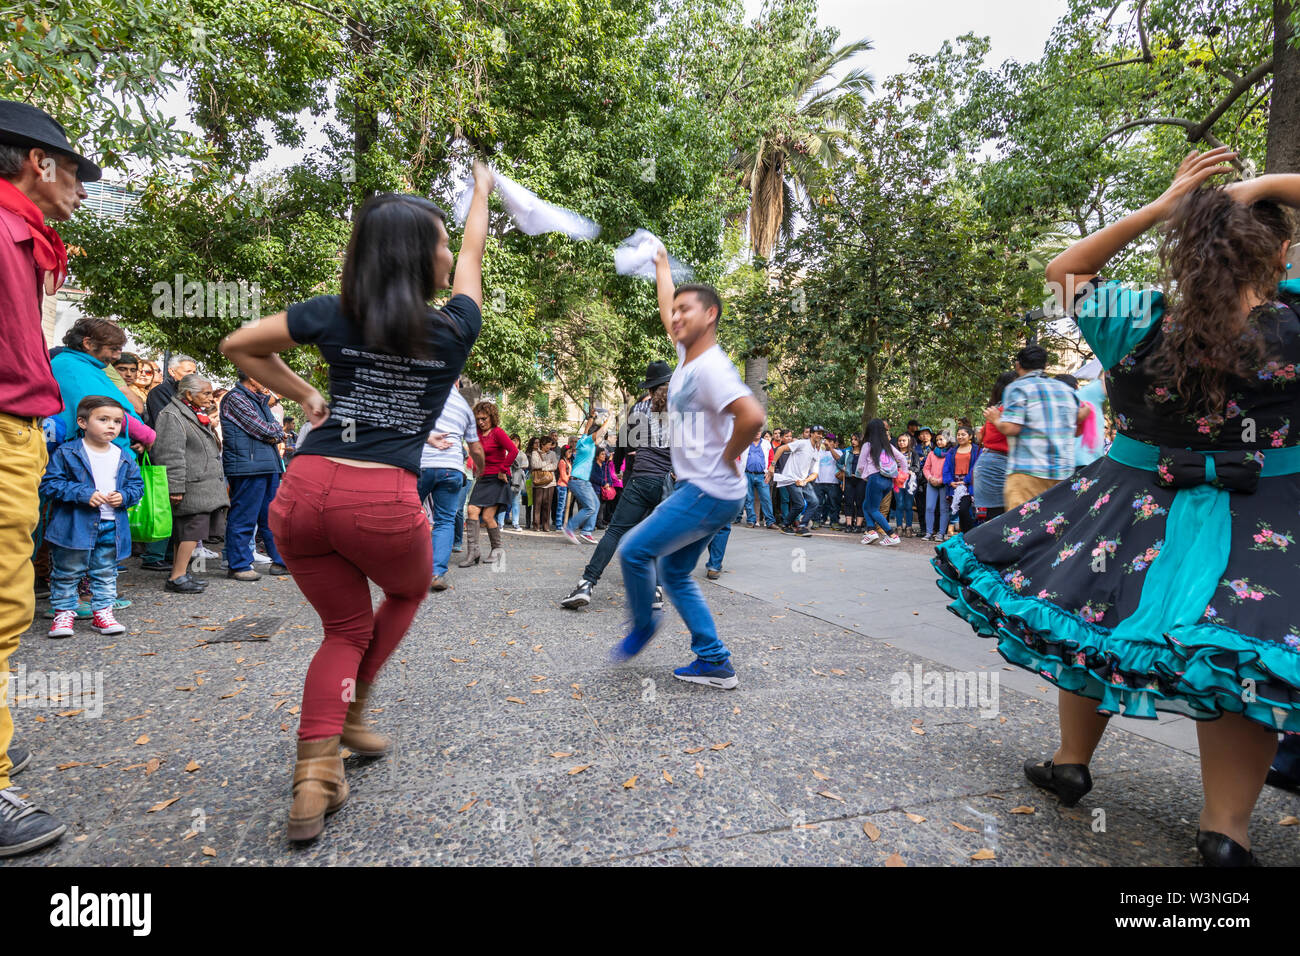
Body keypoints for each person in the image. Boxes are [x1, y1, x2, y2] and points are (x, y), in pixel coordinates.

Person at [934, 151, 1300, 865]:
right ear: (1280, 250)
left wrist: (1168, 205)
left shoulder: (1136, 319)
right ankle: (1225, 830)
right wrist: (1255, 190)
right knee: (1235, 653)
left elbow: (1064, 270)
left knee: (1095, 618)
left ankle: (1072, 760)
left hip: (1133, 510)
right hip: (1267, 516)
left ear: (1182, 251)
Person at [220, 161, 492, 842]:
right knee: (405, 593)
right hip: (382, 501)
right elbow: (474, 256)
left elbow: (238, 347)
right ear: (415, 257)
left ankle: (316, 775)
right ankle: (352, 717)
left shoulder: (332, 316)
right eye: (436, 241)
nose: (445, 252)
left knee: (342, 628)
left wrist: (304, 395)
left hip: (304, 494)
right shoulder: (453, 328)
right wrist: (482, 194)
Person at [0, 99, 101, 857]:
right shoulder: (4, 232)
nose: (81, 187)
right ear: (38, 161)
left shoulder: (22, 236)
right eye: (74, 169)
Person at [611, 245, 764, 689]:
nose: (675, 317)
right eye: (674, 310)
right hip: (707, 492)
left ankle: (643, 626)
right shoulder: (687, 356)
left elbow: (752, 417)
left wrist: (728, 456)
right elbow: (666, 308)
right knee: (675, 574)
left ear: (710, 315)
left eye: (686, 311)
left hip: (706, 490)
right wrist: (661, 265)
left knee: (635, 550)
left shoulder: (712, 368)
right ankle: (714, 661)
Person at [560, 361, 673, 610]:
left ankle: (586, 584)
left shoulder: (639, 409)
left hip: (641, 478)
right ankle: (655, 591)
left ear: (650, 388)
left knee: (614, 532)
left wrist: (624, 459)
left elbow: (623, 444)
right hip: (668, 482)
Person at [40, 395, 144, 638]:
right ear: (83, 422)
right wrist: (83, 493)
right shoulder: (67, 452)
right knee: (67, 571)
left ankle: (103, 612)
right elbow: (50, 484)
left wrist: (125, 496)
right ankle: (64, 613)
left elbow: (136, 486)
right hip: (74, 524)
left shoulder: (123, 455)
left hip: (111, 524)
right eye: (104, 419)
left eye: (117, 421)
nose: (112, 426)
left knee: (106, 572)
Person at [151, 373, 228, 593]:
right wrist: (175, 487)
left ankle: (181, 573)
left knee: (188, 533)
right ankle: (177, 577)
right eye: (206, 393)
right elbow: (169, 454)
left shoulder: (190, 413)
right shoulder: (172, 415)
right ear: (188, 394)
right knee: (191, 532)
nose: (211, 398)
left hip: (199, 485)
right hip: (190, 485)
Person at [986, 344, 1085, 511]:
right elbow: (1077, 429)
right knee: (1054, 526)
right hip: (1062, 471)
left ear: (1018, 365)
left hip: (1027, 471)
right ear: (1045, 366)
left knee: (1020, 527)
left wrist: (995, 419)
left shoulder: (1017, 388)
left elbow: (1011, 428)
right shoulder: (1064, 389)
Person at [49, 317, 155, 458]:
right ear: (88, 343)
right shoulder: (71, 367)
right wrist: (146, 435)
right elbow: (103, 411)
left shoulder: (86, 366)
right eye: (113, 349)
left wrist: (136, 437)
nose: (117, 356)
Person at [220, 372, 289, 580]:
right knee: (244, 516)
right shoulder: (235, 398)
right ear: (251, 377)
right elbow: (265, 430)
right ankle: (239, 565)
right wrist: (275, 433)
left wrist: (275, 432)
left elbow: (276, 428)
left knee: (271, 517)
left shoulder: (257, 400)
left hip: (266, 464)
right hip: (247, 466)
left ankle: (280, 561)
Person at [421, 379, 484, 591]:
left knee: (405, 514)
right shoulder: (463, 406)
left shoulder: (424, 392)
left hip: (421, 464)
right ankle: (436, 572)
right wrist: (481, 468)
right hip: (451, 468)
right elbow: (475, 448)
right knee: (445, 521)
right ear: (457, 381)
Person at [459, 401, 516, 566]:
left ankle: (496, 551)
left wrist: (503, 469)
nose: (480, 422)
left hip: (497, 479)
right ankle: (473, 552)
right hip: (482, 479)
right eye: (478, 419)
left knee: (487, 516)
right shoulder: (475, 433)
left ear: (492, 417)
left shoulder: (498, 432)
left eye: (484, 418)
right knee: (471, 510)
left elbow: (513, 451)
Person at [973, 372, 1016, 522]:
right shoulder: (1003, 410)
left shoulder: (997, 409)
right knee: (999, 517)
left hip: (994, 463)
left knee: (1000, 516)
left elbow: (982, 436)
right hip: (996, 465)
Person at [857, 418, 907, 546]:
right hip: (889, 481)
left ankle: (891, 535)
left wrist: (864, 476)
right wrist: (904, 473)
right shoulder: (888, 445)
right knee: (866, 504)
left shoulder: (867, 445)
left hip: (875, 479)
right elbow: (902, 458)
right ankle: (870, 531)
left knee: (873, 509)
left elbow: (860, 465)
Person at [563, 410, 608, 544]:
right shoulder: (588, 441)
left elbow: (587, 428)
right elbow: (600, 431)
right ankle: (569, 528)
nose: (601, 439)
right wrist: (608, 418)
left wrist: (592, 417)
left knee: (596, 504)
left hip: (582, 481)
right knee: (590, 507)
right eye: (599, 437)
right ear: (594, 436)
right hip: (578, 480)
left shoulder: (583, 439)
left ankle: (587, 532)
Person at [772, 430, 819, 535]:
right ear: (811, 434)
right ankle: (785, 525)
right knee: (800, 504)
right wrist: (772, 465)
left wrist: (805, 481)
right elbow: (781, 448)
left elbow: (815, 473)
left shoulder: (816, 452)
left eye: (821, 433)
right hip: (790, 478)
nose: (819, 435)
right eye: (817, 432)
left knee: (814, 502)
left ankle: (802, 526)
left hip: (802, 480)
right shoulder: (802, 443)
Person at [942, 424, 981, 533]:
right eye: (958, 435)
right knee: (960, 510)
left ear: (970, 436)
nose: (960, 437)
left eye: (963, 434)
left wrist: (966, 480)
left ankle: (971, 533)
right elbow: (946, 467)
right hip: (955, 484)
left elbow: (977, 466)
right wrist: (950, 482)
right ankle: (965, 535)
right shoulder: (952, 451)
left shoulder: (977, 450)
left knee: (964, 509)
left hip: (970, 484)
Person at [741, 431, 774, 528]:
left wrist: (769, 472)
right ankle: (751, 521)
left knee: (766, 498)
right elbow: (738, 457)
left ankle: (770, 522)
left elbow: (772, 458)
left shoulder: (766, 443)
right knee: (749, 499)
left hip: (762, 475)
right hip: (747, 474)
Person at [530, 436, 558, 532]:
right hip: (538, 482)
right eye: (548, 445)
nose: (550, 447)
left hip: (550, 482)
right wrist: (547, 462)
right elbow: (534, 465)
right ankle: (536, 525)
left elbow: (555, 466)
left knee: (547, 504)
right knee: (537, 504)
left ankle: (546, 525)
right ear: (542, 444)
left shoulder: (553, 454)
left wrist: (542, 468)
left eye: (550, 445)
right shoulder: (535, 453)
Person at [893, 432, 919, 537]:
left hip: (910, 481)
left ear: (909, 442)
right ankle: (899, 527)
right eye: (899, 441)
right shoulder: (894, 453)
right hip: (897, 481)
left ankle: (909, 527)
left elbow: (916, 468)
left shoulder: (913, 454)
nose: (901, 442)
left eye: (904, 440)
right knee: (899, 504)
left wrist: (907, 470)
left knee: (908, 505)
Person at [813, 433, 841, 529]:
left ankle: (834, 522)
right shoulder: (819, 452)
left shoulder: (839, 452)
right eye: (826, 441)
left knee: (834, 504)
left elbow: (839, 460)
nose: (827, 443)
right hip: (819, 482)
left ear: (834, 443)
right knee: (818, 503)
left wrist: (831, 448)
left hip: (833, 483)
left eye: (830, 441)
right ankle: (816, 521)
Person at [554, 443, 573, 531]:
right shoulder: (562, 461)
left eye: (571, 452)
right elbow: (563, 475)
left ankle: (562, 523)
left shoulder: (568, 461)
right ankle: (558, 524)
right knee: (561, 506)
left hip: (567, 485)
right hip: (562, 485)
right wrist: (569, 483)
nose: (570, 453)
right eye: (568, 451)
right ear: (564, 452)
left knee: (565, 506)